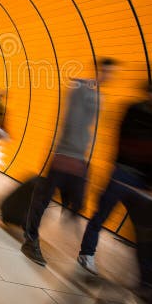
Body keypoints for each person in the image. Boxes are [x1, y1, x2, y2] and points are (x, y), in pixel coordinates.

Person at [20, 58, 117, 266]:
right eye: (105, 71)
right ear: (98, 70)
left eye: (111, 73)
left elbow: (90, 128)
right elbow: (70, 121)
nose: (108, 76)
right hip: (63, 155)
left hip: (80, 159)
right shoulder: (80, 89)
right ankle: (30, 237)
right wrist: (81, 84)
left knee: (78, 203)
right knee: (43, 199)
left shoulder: (99, 97)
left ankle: (51, 225)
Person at [78, 80, 152, 276]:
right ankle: (86, 254)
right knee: (101, 216)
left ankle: (147, 272)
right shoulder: (135, 112)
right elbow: (137, 146)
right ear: (149, 93)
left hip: (141, 183)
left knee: (143, 228)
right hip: (123, 175)